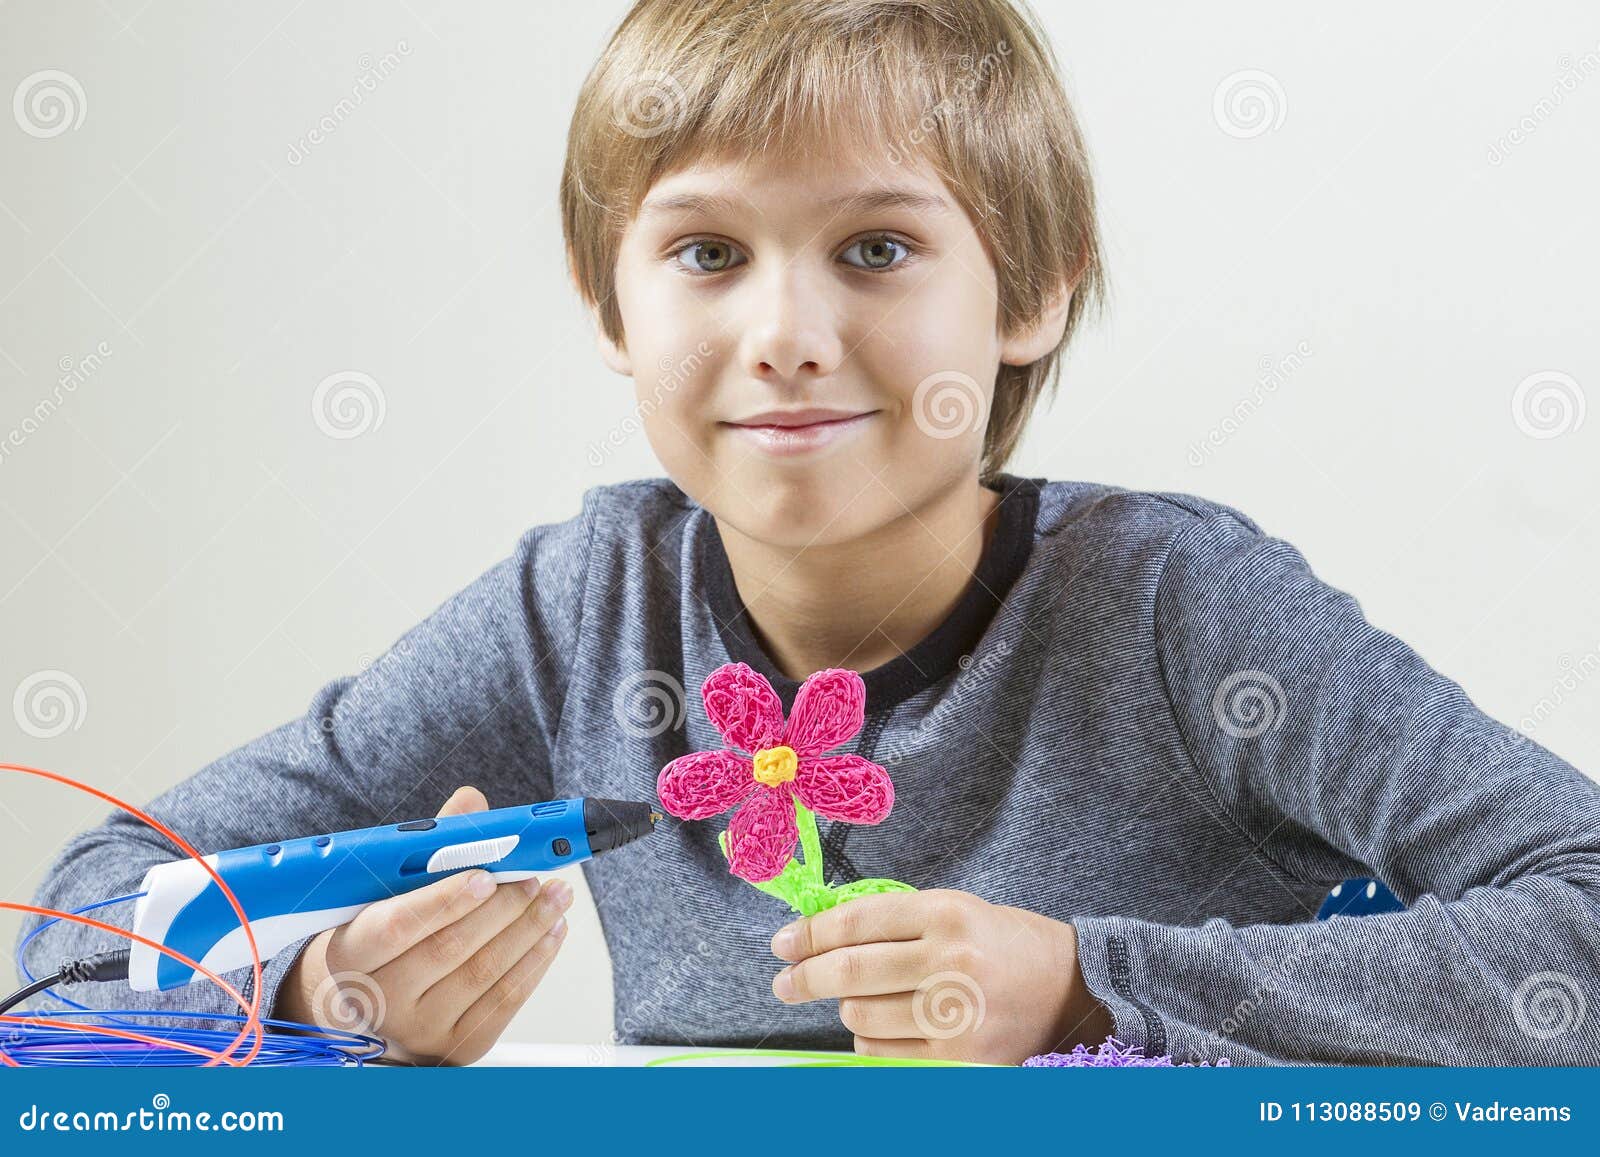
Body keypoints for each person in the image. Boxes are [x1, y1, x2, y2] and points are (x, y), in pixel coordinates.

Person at [22, 0, 1600, 1066]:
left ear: (1034, 291)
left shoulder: (1175, 606)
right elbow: (82, 923)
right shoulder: (583, 611)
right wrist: (313, 989)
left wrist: (1079, 984)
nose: (785, 332)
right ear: (612, 313)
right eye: (708, 251)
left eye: (876, 246)